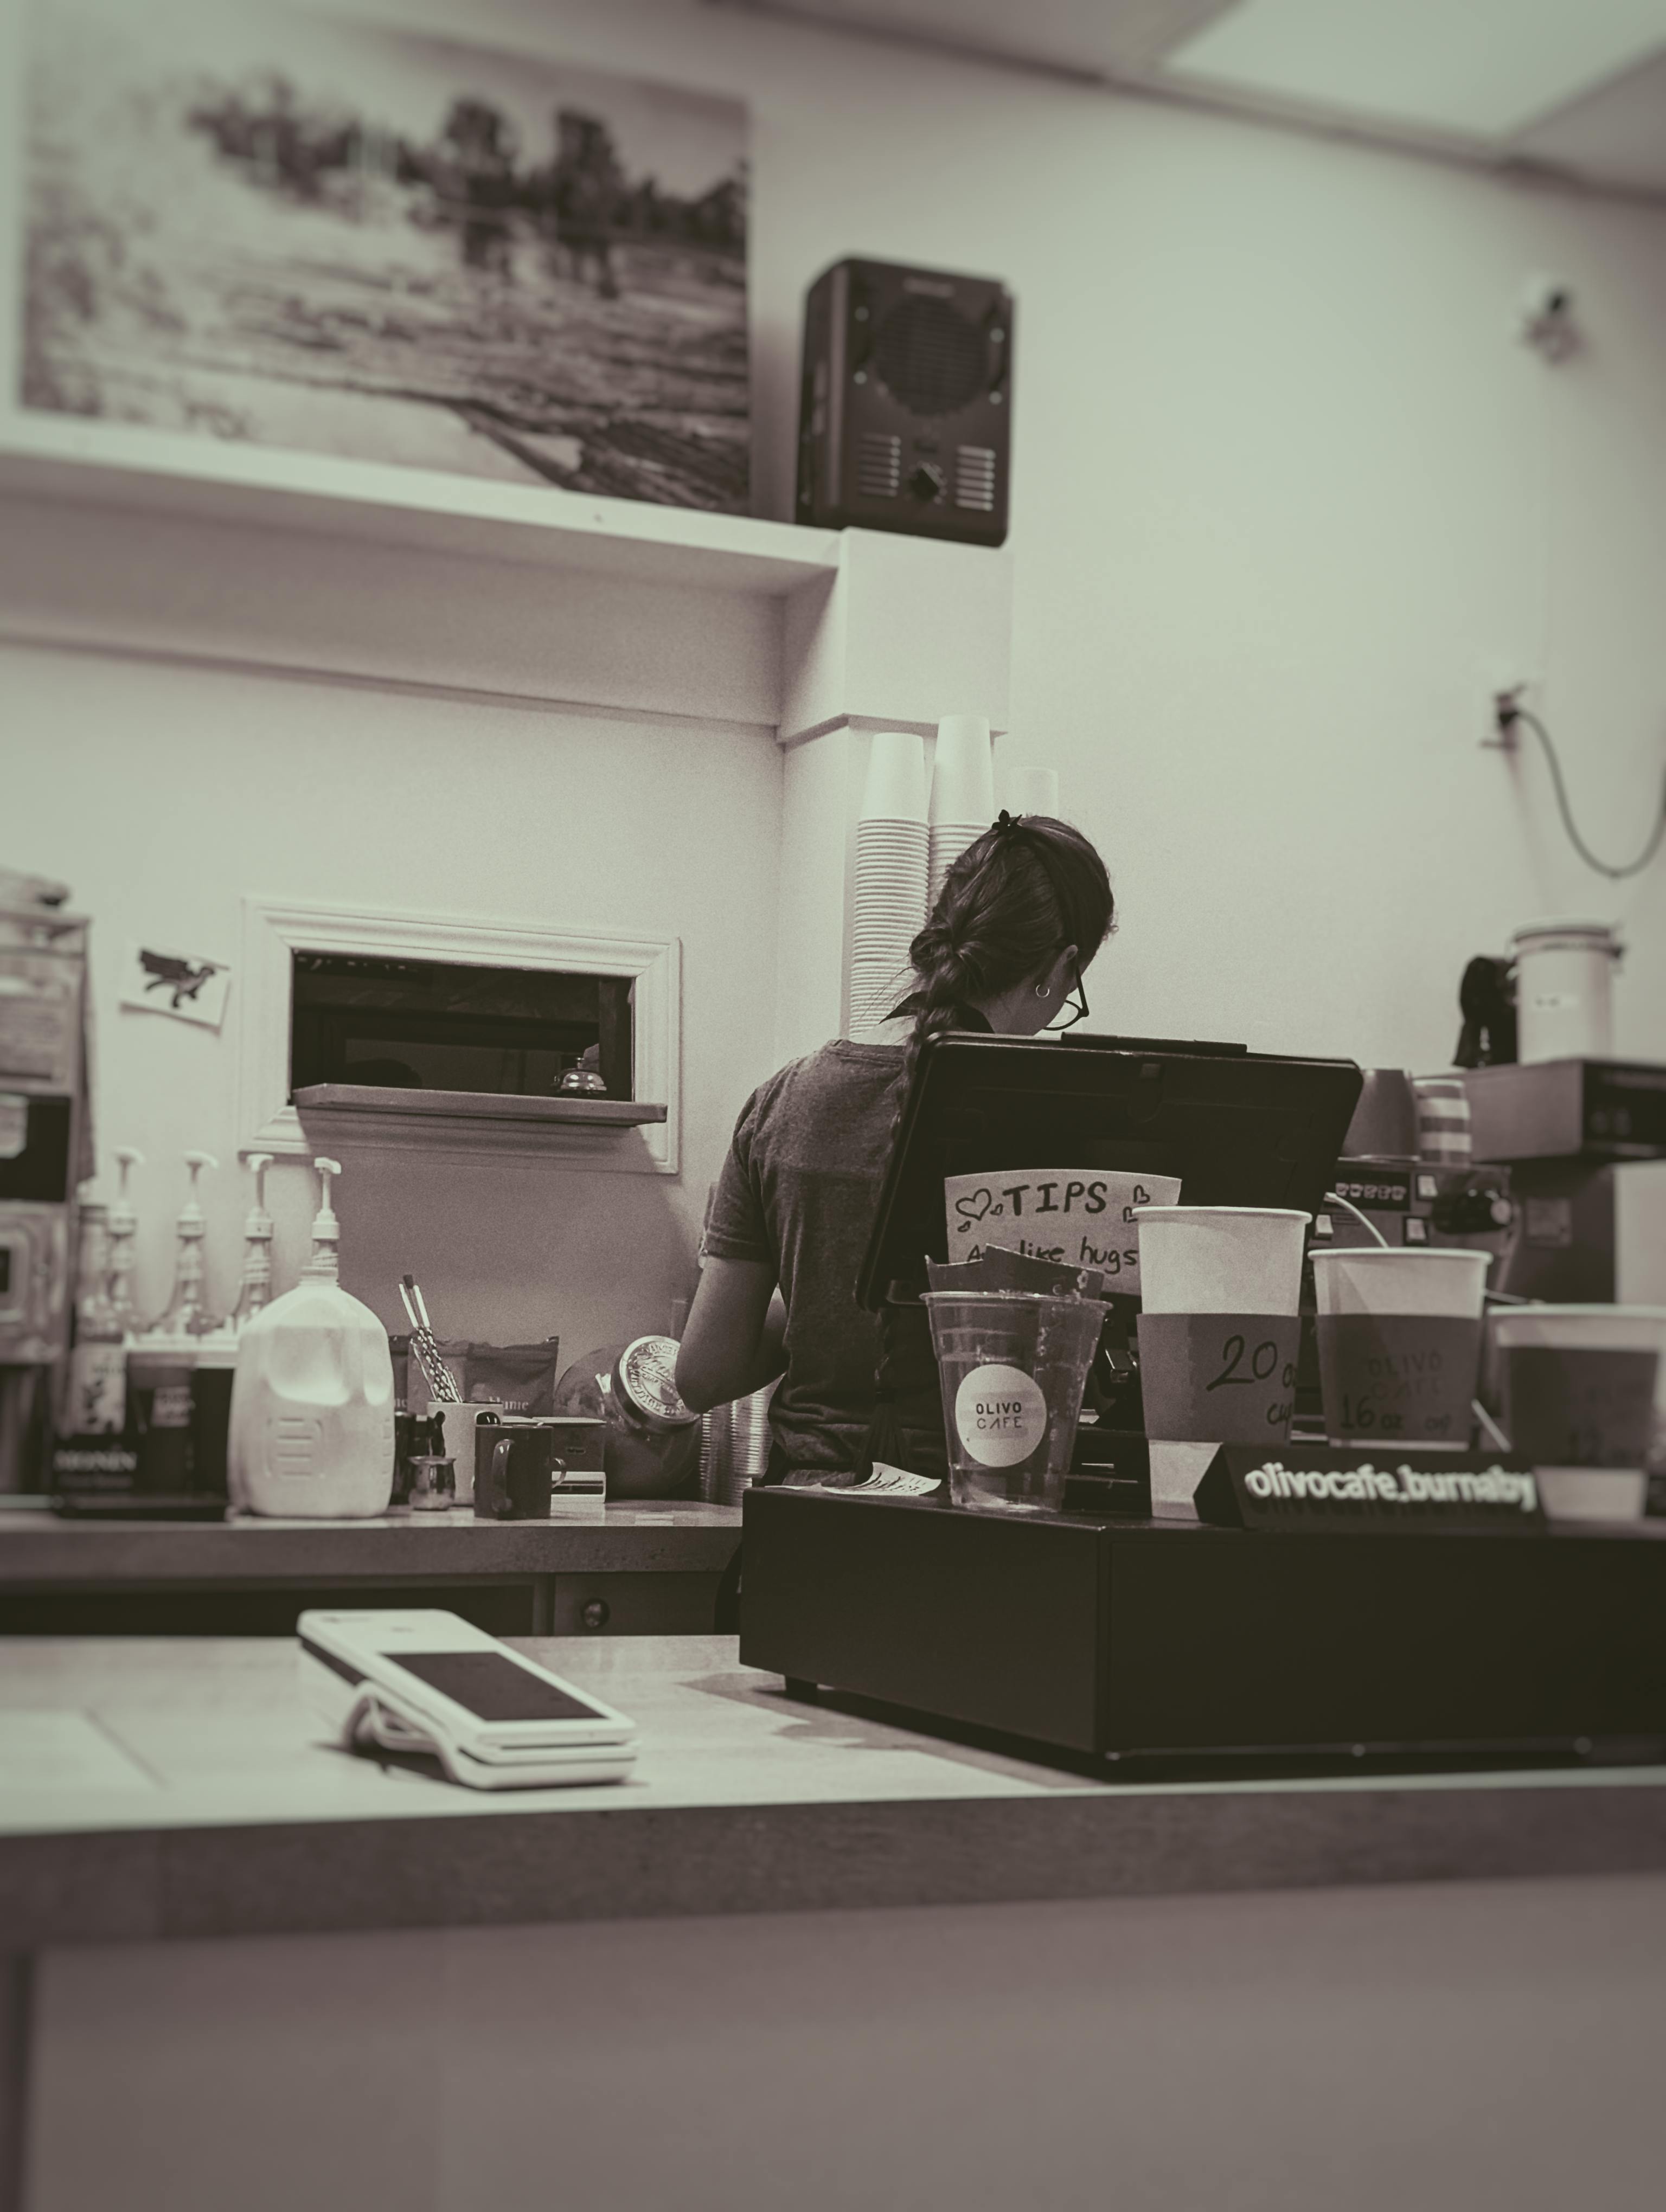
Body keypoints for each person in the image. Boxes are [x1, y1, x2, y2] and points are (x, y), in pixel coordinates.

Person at [676, 812, 1116, 1482]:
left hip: (808, 1526)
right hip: (983, 1522)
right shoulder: (1055, 1125)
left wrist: (820, 1307)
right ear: (1061, 969)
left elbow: (703, 1373)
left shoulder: (783, 1103)